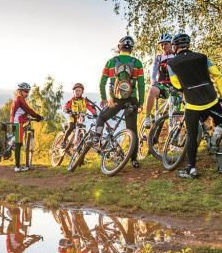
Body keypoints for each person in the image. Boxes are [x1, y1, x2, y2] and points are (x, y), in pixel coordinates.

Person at [166, 33, 222, 179]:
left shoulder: (171, 64)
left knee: (192, 136)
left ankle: (191, 168)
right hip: (211, 98)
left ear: (175, 47)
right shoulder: (202, 57)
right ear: (188, 45)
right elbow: (217, 75)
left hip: (193, 104)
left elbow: (176, 83)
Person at [93, 36, 146, 168]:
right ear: (131, 49)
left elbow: (102, 83)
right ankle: (134, 160)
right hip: (132, 100)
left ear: (119, 47)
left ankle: (96, 138)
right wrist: (140, 103)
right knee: (132, 130)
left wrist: (105, 98)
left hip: (115, 99)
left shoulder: (111, 62)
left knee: (102, 117)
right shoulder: (137, 63)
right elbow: (141, 85)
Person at [142, 33, 175, 128]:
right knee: (152, 90)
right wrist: (153, 81)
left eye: (166, 44)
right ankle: (147, 117)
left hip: (175, 87)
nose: (163, 46)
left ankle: (175, 134)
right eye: (161, 44)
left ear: (171, 44)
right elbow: (153, 71)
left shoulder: (177, 56)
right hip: (162, 86)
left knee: (176, 113)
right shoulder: (159, 58)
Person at [10, 83, 43, 172]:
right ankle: (17, 167)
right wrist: (38, 117)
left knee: (16, 142)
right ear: (20, 91)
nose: (27, 93)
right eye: (25, 91)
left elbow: (22, 112)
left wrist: (29, 117)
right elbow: (28, 109)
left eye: (28, 91)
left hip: (17, 121)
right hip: (17, 123)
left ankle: (11, 144)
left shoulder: (19, 98)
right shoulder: (19, 99)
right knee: (18, 144)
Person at [62, 83, 97, 150]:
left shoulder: (84, 101)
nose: (78, 92)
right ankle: (63, 141)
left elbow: (89, 107)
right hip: (72, 117)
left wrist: (94, 113)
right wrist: (67, 110)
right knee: (71, 126)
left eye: (79, 91)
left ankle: (78, 146)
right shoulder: (71, 100)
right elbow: (66, 106)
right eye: (76, 91)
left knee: (81, 129)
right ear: (73, 92)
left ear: (82, 92)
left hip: (81, 118)